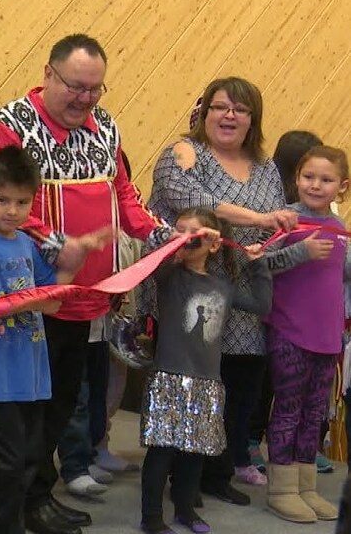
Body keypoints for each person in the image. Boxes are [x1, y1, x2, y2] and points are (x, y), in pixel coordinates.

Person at [0, 33, 171, 534]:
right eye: (75, 87)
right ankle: (15, 504)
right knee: (27, 406)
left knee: (62, 401)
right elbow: (2, 204)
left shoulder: (105, 127)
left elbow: (125, 198)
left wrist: (165, 235)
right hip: (32, 296)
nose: (85, 99)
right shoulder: (11, 127)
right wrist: (55, 245)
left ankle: (38, 494)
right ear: (48, 74)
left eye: (94, 89)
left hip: (88, 296)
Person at [149, 77, 295, 505]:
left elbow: (277, 226)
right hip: (194, 295)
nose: (229, 115)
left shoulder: (267, 168)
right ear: (205, 112)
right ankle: (180, 476)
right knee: (191, 389)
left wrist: (270, 244)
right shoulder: (183, 154)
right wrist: (261, 220)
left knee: (239, 389)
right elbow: (196, 203)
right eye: (220, 107)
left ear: (253, 119)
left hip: (246, 292)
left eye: (240, 109)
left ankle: (217, 472)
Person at [0, 146, 104, 534]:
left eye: (22, 202)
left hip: (31, 377)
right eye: (2, 200)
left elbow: (52, 298)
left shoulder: (24, 243)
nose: (12, 210)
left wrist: (76, 258)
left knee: (24, 462)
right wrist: (33, 299)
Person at [139, 207, 271, 534]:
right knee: (161, 452)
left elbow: (261, 305)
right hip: (169, 378)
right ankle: (152, 517)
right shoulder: (170, 276)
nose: (185, 238)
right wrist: (174, 239)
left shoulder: (222, 286)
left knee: (194, 453)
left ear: (214, 244)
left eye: (193, 233)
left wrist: (258, 264)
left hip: (207, 382)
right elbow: (152, 258)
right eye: (180, 231)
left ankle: (186, 510)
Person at [260, 146, 350, 522]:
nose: (315, 185)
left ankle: (306, 486)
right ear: (296, 178)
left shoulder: (340, 228)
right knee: (289, 408)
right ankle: (282, 488)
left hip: (327, 336)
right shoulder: (286, 220)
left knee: (315, 412)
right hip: (289, 331)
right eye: (308, 177)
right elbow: (261, 264)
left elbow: (342, 275)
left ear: (342, 187)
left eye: (326, 180)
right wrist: (301, 252)